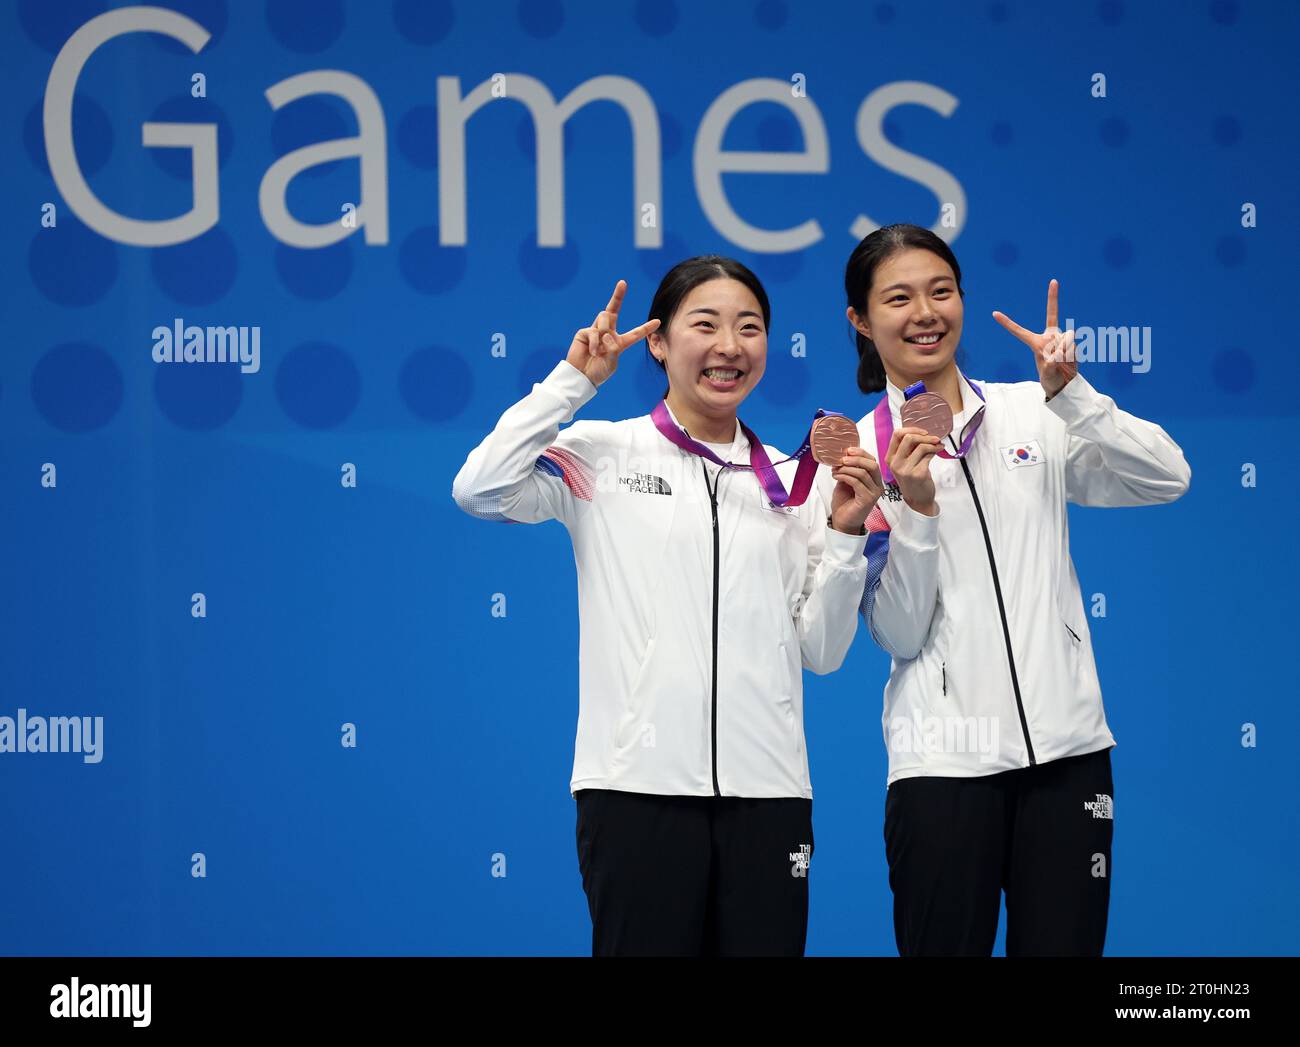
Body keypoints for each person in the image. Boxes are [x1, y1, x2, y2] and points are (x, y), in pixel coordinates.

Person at [452, 257, 881, 956]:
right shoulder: (602, 453)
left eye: (749, 327)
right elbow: (479, 488)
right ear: (658, 342)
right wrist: (572, 384)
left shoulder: (793, 481)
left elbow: (825, 651)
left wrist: (843, 535)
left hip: (770, 796)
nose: (729, 347)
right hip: (634, 793)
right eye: (704, 325)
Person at [844, 224, 1191, 956]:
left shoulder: (1035, 412)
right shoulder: (858, 457)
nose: (925, 312)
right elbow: (901, 634)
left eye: (941, 291)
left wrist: (1075, 398)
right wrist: (917, 510)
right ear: (861, 321)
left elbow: (1168, 477)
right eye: (899, 297)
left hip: (1068, 760)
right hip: (944, 771)